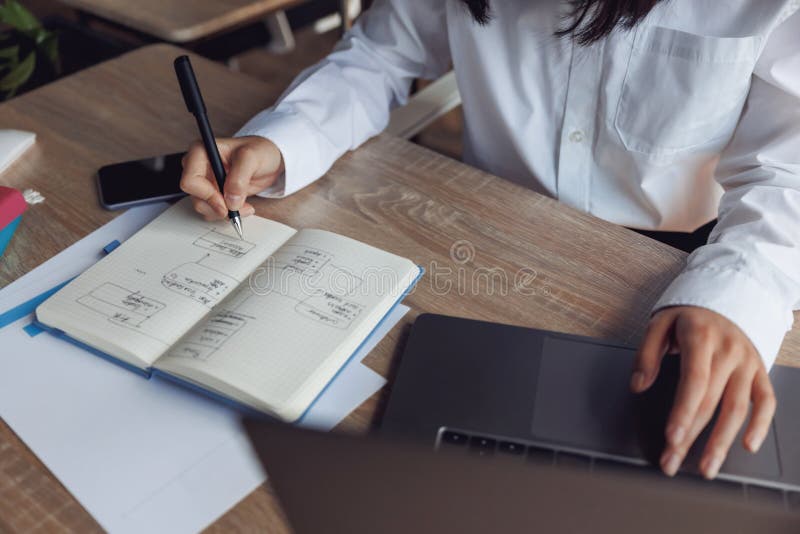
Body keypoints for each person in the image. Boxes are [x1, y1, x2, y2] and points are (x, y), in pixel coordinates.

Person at [180, 0, 800, 480]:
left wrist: (735, 297)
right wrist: (284, 141)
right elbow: (380, 56)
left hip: (676, 264)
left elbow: (785, 170)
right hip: (480, 237)